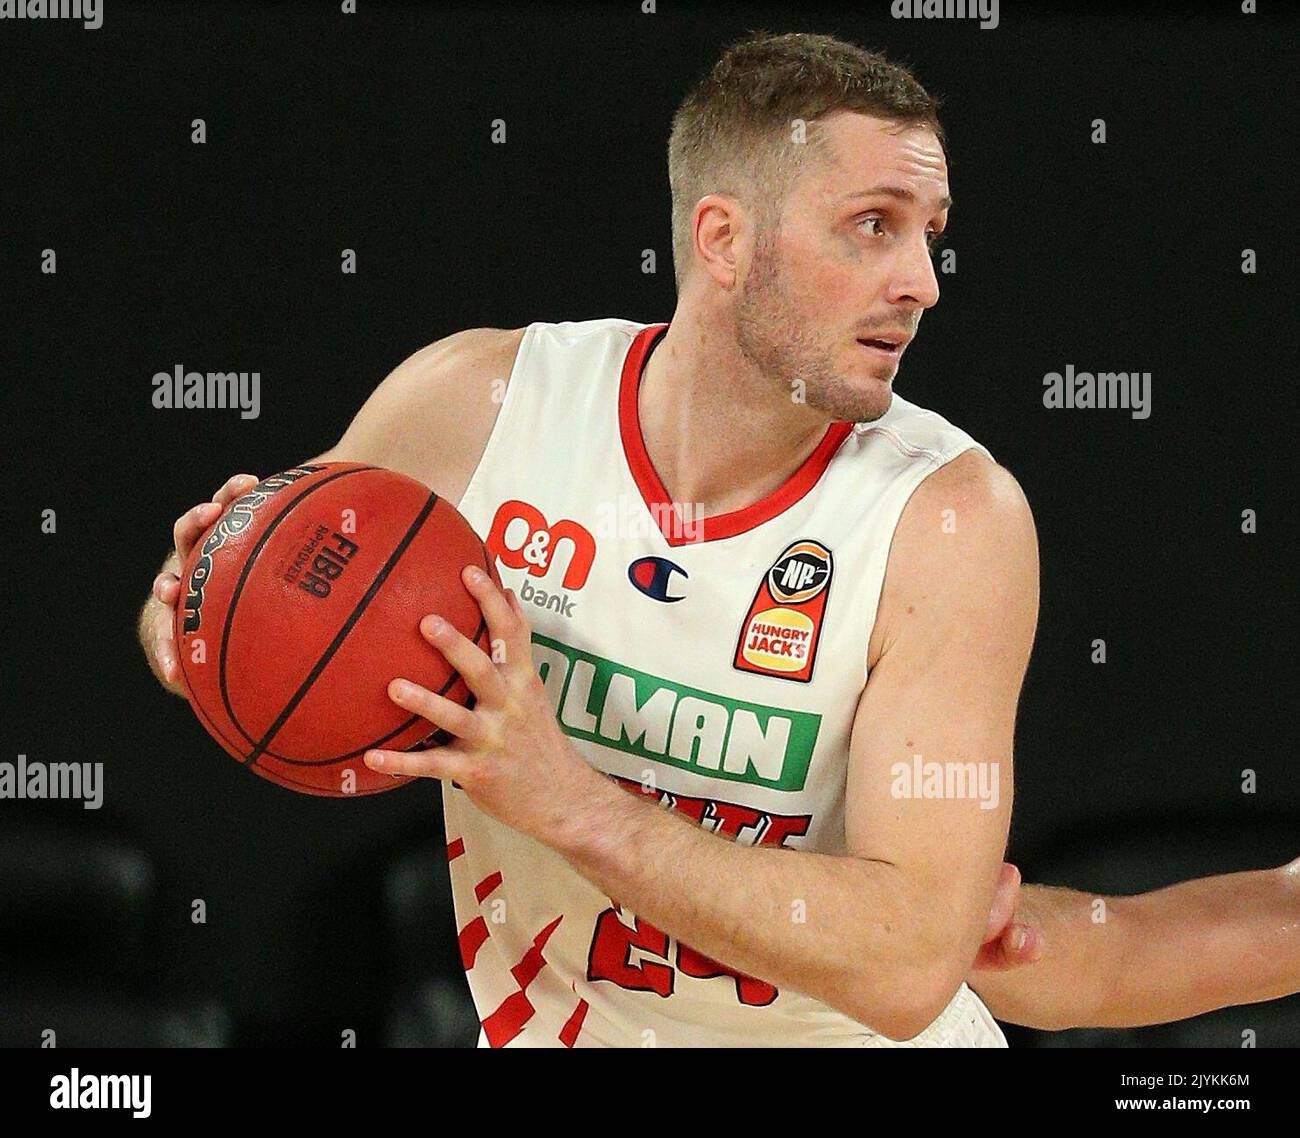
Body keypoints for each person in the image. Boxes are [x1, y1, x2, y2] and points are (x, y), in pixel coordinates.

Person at [138, 31, 1299, 1046]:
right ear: (723, 237)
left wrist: (569, 800)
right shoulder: (480, 402)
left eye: (930, 233)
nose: (924, 281)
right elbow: (248, 629)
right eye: (872, 227)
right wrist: (189, 604)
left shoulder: (947, 519)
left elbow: (906, 968)